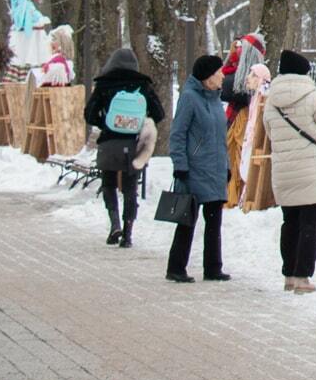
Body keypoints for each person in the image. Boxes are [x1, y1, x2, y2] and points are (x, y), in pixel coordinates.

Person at [262, 49, 316, 294]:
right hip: (312, 171)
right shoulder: (312, 98)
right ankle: (302, 277)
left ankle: (289, 274)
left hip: (284, 171)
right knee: (310, 225)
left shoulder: (272, 101)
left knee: (290, 223)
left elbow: (270, 133)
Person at [85, 46, 164, 248]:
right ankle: (128, 234)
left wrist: (106, 123)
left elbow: (89, 114)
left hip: (109, 142)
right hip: (133, 144)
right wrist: (139, 122)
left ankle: (115, 225)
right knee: (130, 189)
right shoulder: (143, 84)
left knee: (109, 184)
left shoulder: (104, 83)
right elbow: (159, 113)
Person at [165, 55, 233, 283]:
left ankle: (213, 267)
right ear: (207, 76)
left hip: (215, 170)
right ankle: (176, 267)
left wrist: (227, 165)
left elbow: (221, 139)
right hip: (194, 170)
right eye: (219, 72)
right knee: (187, 220)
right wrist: (180, 165)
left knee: (214, 222)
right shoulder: (189, 98)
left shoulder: (215, 100)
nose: (222, 76)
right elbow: (177, 134)